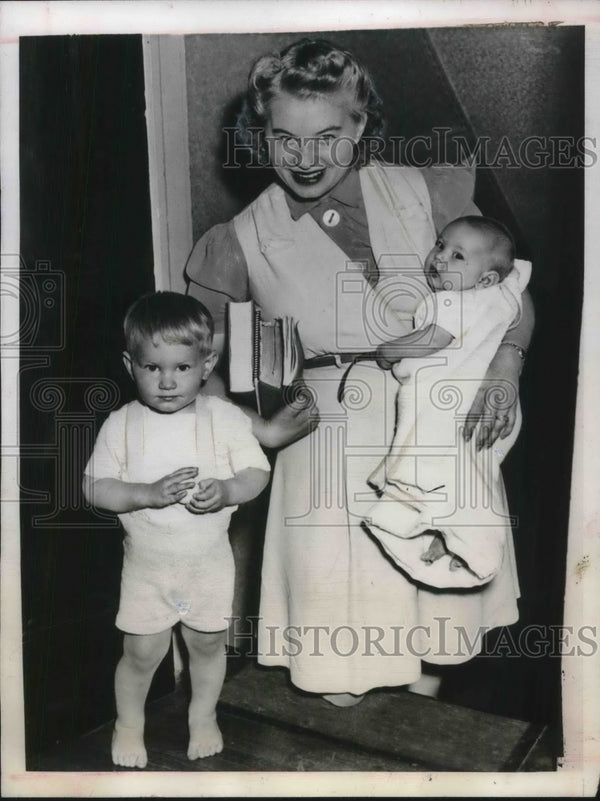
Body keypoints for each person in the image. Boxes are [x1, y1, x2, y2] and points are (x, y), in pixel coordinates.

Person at [185, 38, 534, 706]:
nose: (305, 157)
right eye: (285, 137)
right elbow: (192, 361)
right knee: (341, 676)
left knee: (433, 649)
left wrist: (507, 364)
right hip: (329, 445)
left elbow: (506, 295)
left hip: (437, 426)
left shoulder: (426, 190)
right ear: (261, 135)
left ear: (361, 126)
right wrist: (255, 425)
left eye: (326, 136)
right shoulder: (238, 239)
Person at [82, 292, 270, 767]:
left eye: (181, 368)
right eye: (152, 368)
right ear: (130, 364)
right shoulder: (122, 424)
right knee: (143, 653)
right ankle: (129, 725)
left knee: (207, 644)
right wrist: (146, 493)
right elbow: (94, 488)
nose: (167, 382)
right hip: (148, 570)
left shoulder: (223, 418)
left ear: (206, 365)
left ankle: (203, 715)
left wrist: (227, 491)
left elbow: (257, 472)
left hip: (207, 565)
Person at [364, 216, 530, 589]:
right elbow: (519, 276)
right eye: (440, 245)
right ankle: (452, 534)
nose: (440, 258)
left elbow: (431, 340)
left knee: (429, 471)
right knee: (465, 480)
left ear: (485, 278)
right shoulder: (499, 296)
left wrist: (390, 351)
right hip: (486, 408)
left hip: (452, 407)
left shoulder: (453, 301)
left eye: (458, 257)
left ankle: (467, 540)